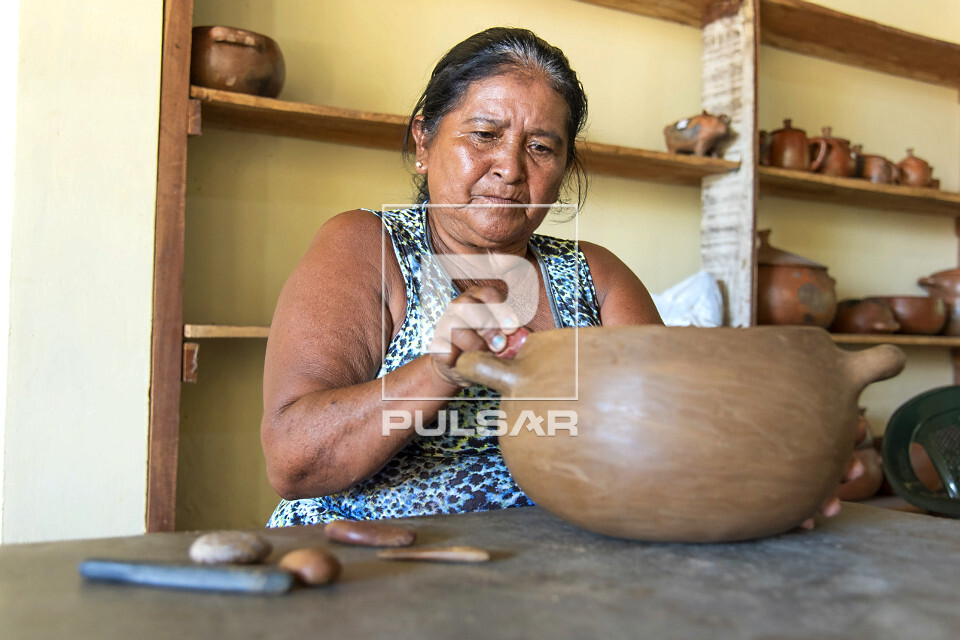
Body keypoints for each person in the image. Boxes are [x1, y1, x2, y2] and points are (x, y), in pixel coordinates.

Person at [260, 27, 859, 527]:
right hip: (368, 569)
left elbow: (675, 428)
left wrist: (762, 485)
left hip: (558, 576)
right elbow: (294, 463)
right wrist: (439, 369)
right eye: (484, 134)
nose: (510, 169)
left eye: (542, 147)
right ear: (424, 137)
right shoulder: (367, 246)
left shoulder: (594, 275)